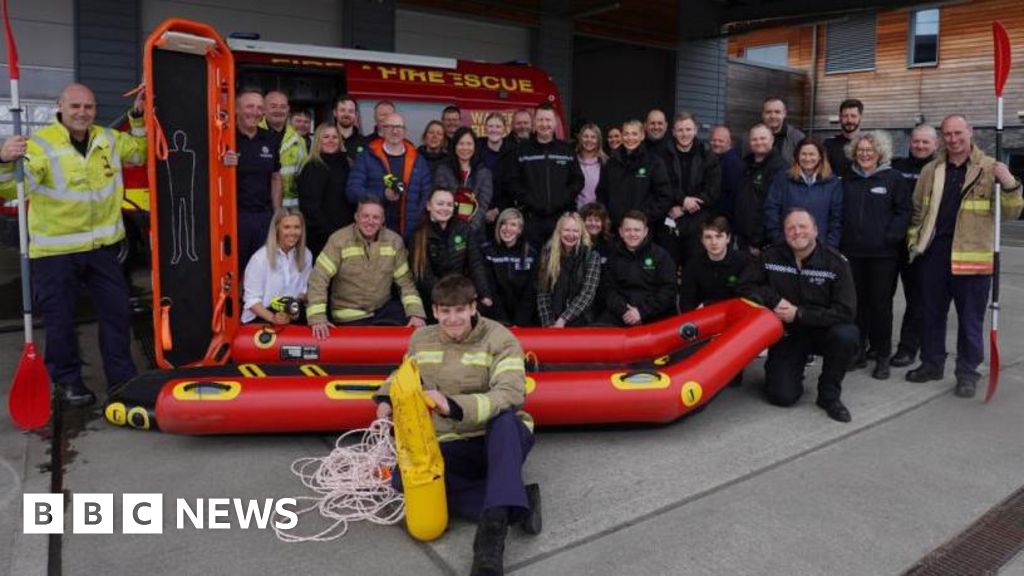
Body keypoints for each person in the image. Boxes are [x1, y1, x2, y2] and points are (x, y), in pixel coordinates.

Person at [374, 273, 540, 576]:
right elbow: (404, 374)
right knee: (401, 481)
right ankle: (515, 501)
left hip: (495, 439)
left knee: (504, 421)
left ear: (473, 307)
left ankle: (489, 545)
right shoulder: (421, 339)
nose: (453, 319)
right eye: (445, 311)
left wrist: (452, 406)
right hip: (448, 442)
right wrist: (386, 399)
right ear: (435, 312)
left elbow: (511, 394)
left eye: (460, 310)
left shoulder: (501, 338)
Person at [0, 83, 145, 406]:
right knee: (61, 321)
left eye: (89, 107)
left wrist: (137, 116)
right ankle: (67, 383)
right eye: (76, 106)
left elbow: (140, 151)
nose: (82, 113)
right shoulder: (38, 145)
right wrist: (4, 161)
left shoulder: (107, 138)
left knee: (116, 313)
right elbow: (12, 192)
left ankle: (121, 379)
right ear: (60, 107)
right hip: (56, 253)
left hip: (103, 248)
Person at [905, 114, 1023, 398]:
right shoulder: (931, 170)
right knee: (932, 315)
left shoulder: (989, 168)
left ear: (970, 132)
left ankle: (967, 372)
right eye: (948, 134)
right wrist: (914, 243)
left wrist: (1009, 183)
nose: (953, 139)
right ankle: (932, 364)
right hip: (934, 255)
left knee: (970, 319)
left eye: (959, 133)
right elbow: (918, 211)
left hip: (973, 257)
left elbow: (1011, 212)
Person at [738, 208, 858, 423]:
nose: (797, 232)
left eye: (803, 227)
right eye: (791, 228)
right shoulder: (770, 255)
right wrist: (774, 300)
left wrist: (800, 314)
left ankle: (829, 396)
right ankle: (790, 369)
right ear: (784, 232)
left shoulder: (836, 262)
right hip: (788, 334)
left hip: (823, 331)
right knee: (782, 396)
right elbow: (746, 285)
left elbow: (846, 311)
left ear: (815, 230)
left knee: (846, 335)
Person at [839, 131, 911, 379]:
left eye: (870, 150)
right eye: (861, 150)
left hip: (883, 256)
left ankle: (882, 356)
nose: (865, 154)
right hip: (852, 254)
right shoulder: (847, 181)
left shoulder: (893, 179)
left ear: (879, 152)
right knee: (857, 306)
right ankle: (859, 353)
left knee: (880, 306)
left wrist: (889, 237)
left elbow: (904, 212)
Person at [306, 196, 426, 331]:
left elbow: (405, 283)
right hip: (349, 316)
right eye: (365, 216)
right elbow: (318, 278)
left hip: (383, 312)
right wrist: (317, 318)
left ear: (383, 220)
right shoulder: (339, 240)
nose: (370, 221)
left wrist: (415, 313)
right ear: (356, 217)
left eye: (376, 217)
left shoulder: (394, 242)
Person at [889, 124, 938, 368]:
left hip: (919, 247)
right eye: (916, 141)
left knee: (916, 301)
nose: (919, 146)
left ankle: (907, 349)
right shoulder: (895, 167)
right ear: (910, 142)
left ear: (934, 145)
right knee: (879, 298)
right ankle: (874, 345)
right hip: (890, 244)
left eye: (925, 142)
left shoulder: (939, 170)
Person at [505, 104, 584, 248]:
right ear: (534, 123)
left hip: (561, 219)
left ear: (554, 123)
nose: (544, 124)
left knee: (560, 264)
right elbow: (512, 182)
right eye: (540, 120)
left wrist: (563, 198)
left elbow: (578, 180)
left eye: (548, 120)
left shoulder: (566, 150)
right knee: (533, 264)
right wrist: (530, 200)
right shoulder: (522, 150)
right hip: (531, 219)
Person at [346, 112, 432, 240]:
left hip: (409, 234)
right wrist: (382, 195)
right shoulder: (367, 156)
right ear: (382, 130)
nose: (395, 131)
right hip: (375, 232)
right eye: (390, 127)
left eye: (399, 127)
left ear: (405, 131)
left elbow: (427, 194)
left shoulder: (418, 160)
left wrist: (416, 219)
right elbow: (352, 191)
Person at [223, 89, 282, 275]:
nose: (255, 112)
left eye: (259, 108)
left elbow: (275, 177)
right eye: (249, 106)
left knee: (261, 269)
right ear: (236, 109)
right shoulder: (224, 137)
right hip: (235, 217)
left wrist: (277, 211)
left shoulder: (270, 139)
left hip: (264, 217)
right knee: (234, 268)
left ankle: (256, 304)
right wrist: (222, 164)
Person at [410, 188, 491, 317]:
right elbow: (424, 277)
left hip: (461, 292)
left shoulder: (464, 228)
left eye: (449, 205)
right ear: (428, 206)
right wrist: (448, 298)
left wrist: (484, 293)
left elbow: (476, 264)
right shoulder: (419, 234)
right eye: (440, 204)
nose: (445, 208)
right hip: (434, 298)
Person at [655, 112, 721, 268]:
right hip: (668, 219)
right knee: (667, 268)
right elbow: (661, 185)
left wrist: (684, 207)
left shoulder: (708, 156)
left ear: (696, 130)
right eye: (680, 130)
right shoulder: (661, 156)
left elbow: (713, 191)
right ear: (673, 132)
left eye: (688, 129)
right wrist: (682, 200)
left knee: (694, 269)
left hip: (697, 223)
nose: (684, 134)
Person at [598, 211, 677, 326]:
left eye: (637, 230)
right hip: (622, 314)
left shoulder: (660, 255)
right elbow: (608, 290)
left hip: (655, 314)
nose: (632, 234)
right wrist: (625, 311)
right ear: (621, 232)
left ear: (645, 232)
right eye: (628, 230)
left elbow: (668, 290)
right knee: (597, 332)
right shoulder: (613, 256)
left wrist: (641, 312)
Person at [763, 137, 842, 249]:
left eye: (812, 154)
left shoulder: (832, 183)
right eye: (803, 154)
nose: (807, 158)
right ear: (797, 156)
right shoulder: (783, 180)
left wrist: (829, 247)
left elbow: (836, 219)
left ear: (820, 157)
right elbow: (771, 210)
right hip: (788, 247)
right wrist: (779, 240)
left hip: (820, 248)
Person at [596, 119, 672, 228]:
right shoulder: (611, 163)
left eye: (634, 134)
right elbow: (602, 192)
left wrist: (644, 217)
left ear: (642, 136)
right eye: (626, 134)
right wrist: (606, 216)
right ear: (621, 136)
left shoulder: (653, 162)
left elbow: (664, 197)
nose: (630, 138)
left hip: (642, 228)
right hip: (615, 227)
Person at [242, 209, 313, 324]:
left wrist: (291, 312)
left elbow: (304, 292)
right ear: (276, 229)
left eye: (297, 227)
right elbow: (251, 300)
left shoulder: (306, 255)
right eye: (287, 227)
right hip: (263, 317)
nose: (292, 232)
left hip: (292, 313)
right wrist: (273, 318)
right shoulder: (259, 258)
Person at [297, 122, 353, 257]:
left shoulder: (347, 164)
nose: (331, 141)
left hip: (348, 233)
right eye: (326, 137)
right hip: (322, 236)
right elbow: (310, 207)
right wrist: (331, 232)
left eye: (335, 137)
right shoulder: (313, 167)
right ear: (318, 141)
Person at [536, 212, 602, 327]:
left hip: (581, 322)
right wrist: (548, 324)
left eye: (575, 231)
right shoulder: (547, 254)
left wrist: (563, 319)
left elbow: (587, 293)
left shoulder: (591, 256)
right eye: (566, 230)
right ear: (559, 232)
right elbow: (543, 292)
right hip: (552, 322)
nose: (571, 235)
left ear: (581, 233)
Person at [733, 124, 787, 255]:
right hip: (742, 238)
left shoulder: (779, 168)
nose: (758, 142)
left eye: (763, 138)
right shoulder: (746, 164)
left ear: (772, 140)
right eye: (754, 139)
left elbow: (771, 207)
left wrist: (757, 241)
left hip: (762, 243)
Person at [679, 216, 752, 311]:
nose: (714, 242)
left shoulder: (744, 262)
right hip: (703, 317)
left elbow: (748, 297)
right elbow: (685, 302)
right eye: (708, 237)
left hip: (735, 314)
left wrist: (710, 304)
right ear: (702, 241)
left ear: (728, 238)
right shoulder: (693, 265)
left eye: (719, 236)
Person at [481, 208, 538, 326]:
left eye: (513, 225)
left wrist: (519, 322)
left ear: (519, 230)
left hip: (524, 320)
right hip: (495, 318)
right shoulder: (487, 251)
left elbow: (530, 293)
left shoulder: (531, 253)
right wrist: (503, 322)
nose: (507, 229)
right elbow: (490, 289)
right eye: (504, 223)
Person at [435, 127, 493, 237]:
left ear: (475, 147)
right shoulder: (443, 170)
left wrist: (469, 230)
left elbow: (483, 206)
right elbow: (441, 200)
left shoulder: (484, 173)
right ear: (454, 146)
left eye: (469, 144)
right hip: (447, 229)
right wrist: (454, 228)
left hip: (475, 232)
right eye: (461, 144)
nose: (465, 148)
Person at [262, 91, 308, 208]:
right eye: (273, 106)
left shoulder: (299, 141)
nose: (278, 110)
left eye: (283, 107)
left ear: (288, 110)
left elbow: (304, 178)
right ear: (264, 109)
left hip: (290, 213)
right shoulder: (254, 135)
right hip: (261, 209)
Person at [478, 113, 516, 227]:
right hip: (478, 211)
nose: (494, 130)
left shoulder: (512, 152)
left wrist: (497, 210)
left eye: (498, 126)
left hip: (503, 213)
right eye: (490, 126)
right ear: (485, 128)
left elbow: (513, 186)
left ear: (505, 129)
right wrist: (481, 210)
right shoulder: (476, 148)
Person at [709, 125, 743, 223]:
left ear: (729, 143)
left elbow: (732, 195)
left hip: (723, 218)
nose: (716, 143)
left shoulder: (733, 163)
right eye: (713, 140)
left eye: (721, 141)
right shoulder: (714, 159)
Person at [824, 98, 863, 179]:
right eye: (845, 116)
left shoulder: (869, 145)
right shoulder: (829, 145)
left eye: (853, 116)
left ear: (860, 117)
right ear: (840, 117)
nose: (849, 120)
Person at [761, 97, 806, 164]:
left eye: (777, 112)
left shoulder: (797, 138)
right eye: (768, 112)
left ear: (784, 114)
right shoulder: (748, 139)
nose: (773, 116)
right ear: (763, 114)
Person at [575, 123, 606, 209]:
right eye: (586, 136)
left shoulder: (605, 163)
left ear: (598, 140)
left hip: (597, 216)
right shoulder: (572, 161)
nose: (589, 140)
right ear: (580, 138)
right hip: (575, 215)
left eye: (593, 137)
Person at [333, 94, 370, 160]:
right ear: (335, 113)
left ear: (356, 115)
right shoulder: (326, 140)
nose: (346, 114)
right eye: (342, 110)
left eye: (351, 111)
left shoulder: (365, 143)